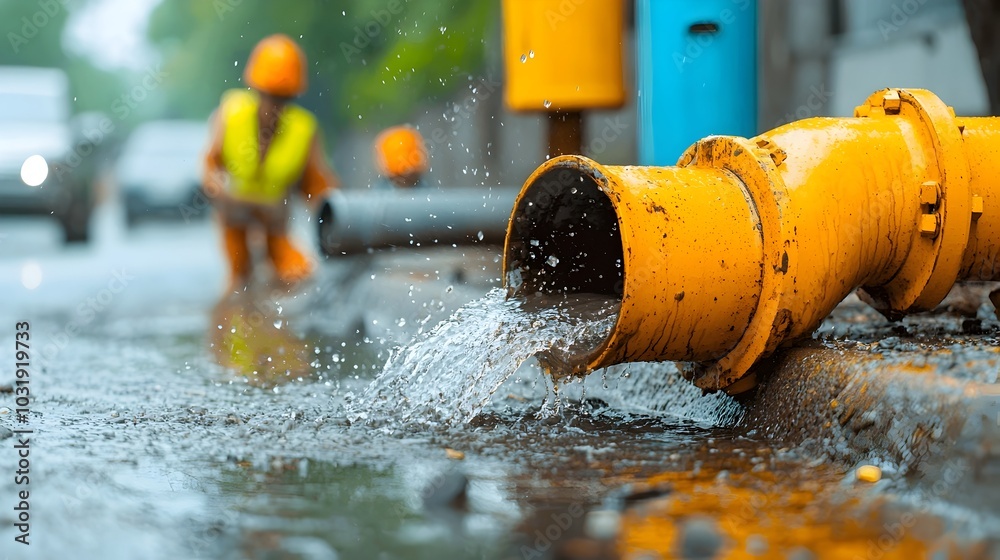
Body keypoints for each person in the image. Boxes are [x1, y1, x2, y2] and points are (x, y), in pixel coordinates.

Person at [202, 34, 339, 291]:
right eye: (268, 95)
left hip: (275, 226)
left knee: (297, 277)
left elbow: (319, 190)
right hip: (235, 221)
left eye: (283, 98)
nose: (273, 106)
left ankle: (278, 325)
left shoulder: (303, 131)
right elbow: (210, 172)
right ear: (255, 90)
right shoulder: (231, 114)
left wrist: (341, 225)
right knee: (238, 281)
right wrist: (233, 198)